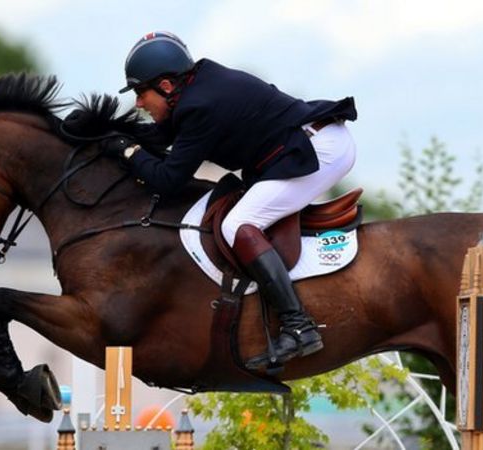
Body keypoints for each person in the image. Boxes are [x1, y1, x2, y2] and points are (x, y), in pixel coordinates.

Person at [118, 31, 357, 369]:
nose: (139, 103)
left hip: (319, 150)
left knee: (237, 224)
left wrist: (128, 152)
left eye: (141, 93)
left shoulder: (200, 105)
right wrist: (107, 134)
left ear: (167, 87)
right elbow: (161, 136)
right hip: (306, 140)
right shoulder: (195, 89)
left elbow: (170, 179)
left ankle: (298, 325)